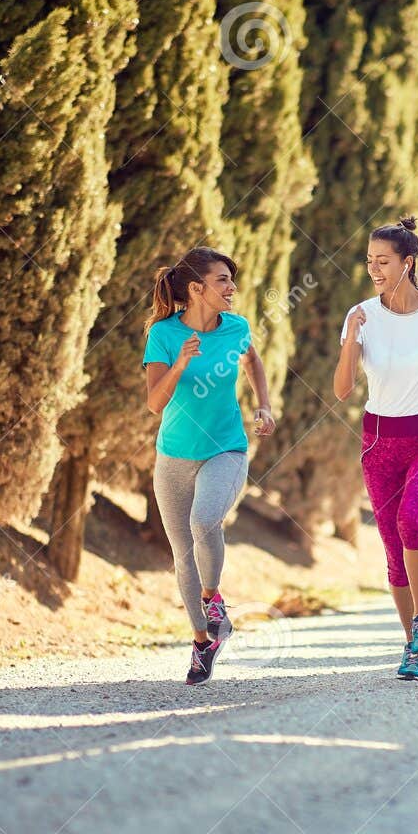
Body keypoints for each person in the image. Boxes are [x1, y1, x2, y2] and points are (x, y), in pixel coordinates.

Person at [334, 216, 418, 680]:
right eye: (369, 261)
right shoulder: (361, 315)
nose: (373, 269)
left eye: (383, 261)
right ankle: (412, 647)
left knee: (410, 516)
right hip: (379, 440)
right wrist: (351, 340)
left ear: (407, 262)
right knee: (392, 546)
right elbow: (342, 389)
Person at [143, 246, 275, 685]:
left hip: (227, 449)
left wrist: (264, 405)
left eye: (231, 280)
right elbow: (154, 403)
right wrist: (180, 361)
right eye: (223, 280)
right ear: (196, 289)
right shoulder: (162, 334)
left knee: (205, 521)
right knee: (182, 556)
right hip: (173, 457)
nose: (232, 288)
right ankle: (203, 641)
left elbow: (253, 360)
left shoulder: (237, 327)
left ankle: (213, 599)